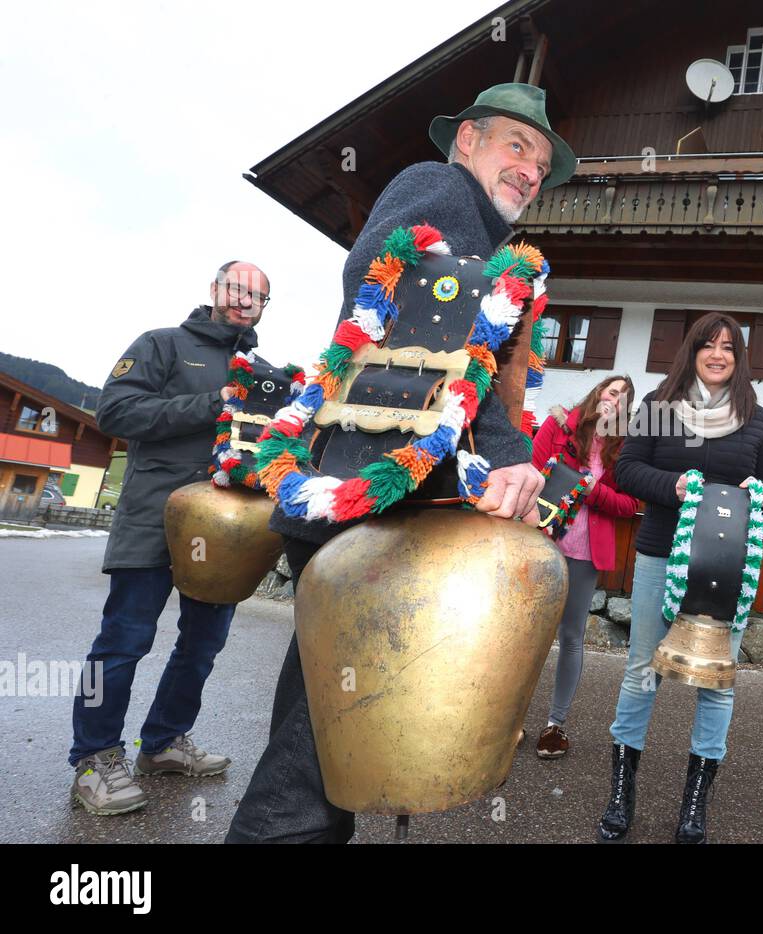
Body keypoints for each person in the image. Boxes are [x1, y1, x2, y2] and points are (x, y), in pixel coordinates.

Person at [225, 82, 576, 844]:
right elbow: (421, 317)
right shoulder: (437, 187)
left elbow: (459, 347)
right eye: (517, 146)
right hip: (374, 500)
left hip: (388, 506)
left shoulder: (487, 237)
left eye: (543, 164)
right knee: (312, 765)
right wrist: (510, 454)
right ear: (466, 142)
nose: (531, 171)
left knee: (331, 735)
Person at [70, 261, 271, 815]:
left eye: (257, 295)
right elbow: (116, 411)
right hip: (153, 518)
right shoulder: (161, 344)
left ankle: (161, 744)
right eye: (235, 288)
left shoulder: (266, 370)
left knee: (202, 646)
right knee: (122, 642)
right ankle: (93, 757)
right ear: (213, 290)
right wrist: (212, 405)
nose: (244, 300)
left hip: (225, 531)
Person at [598, 312, 763, 844]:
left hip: (728, 570)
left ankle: (694, 804)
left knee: (718, 681)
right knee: (642, 668)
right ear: (693, 351)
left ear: (739, 357)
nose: (718, 354)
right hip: (662, 555)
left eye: (729, 347)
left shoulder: (759, 418)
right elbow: (628, 470)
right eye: (708, 344)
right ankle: (621, 792)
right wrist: (676, 487)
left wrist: (759, 492)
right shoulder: (659, 407)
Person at [531, 376, 639, 758]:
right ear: (597, 394)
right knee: (527, 636)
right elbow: (531, 475)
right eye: (612, 391)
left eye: (625, 399)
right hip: (541, 545)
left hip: (584, 555)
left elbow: (628, 506)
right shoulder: (557, 428)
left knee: (572, 636)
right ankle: (508, 721)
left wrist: (593, 489)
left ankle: (554, 725)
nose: (616, 400)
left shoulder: (623, 450)